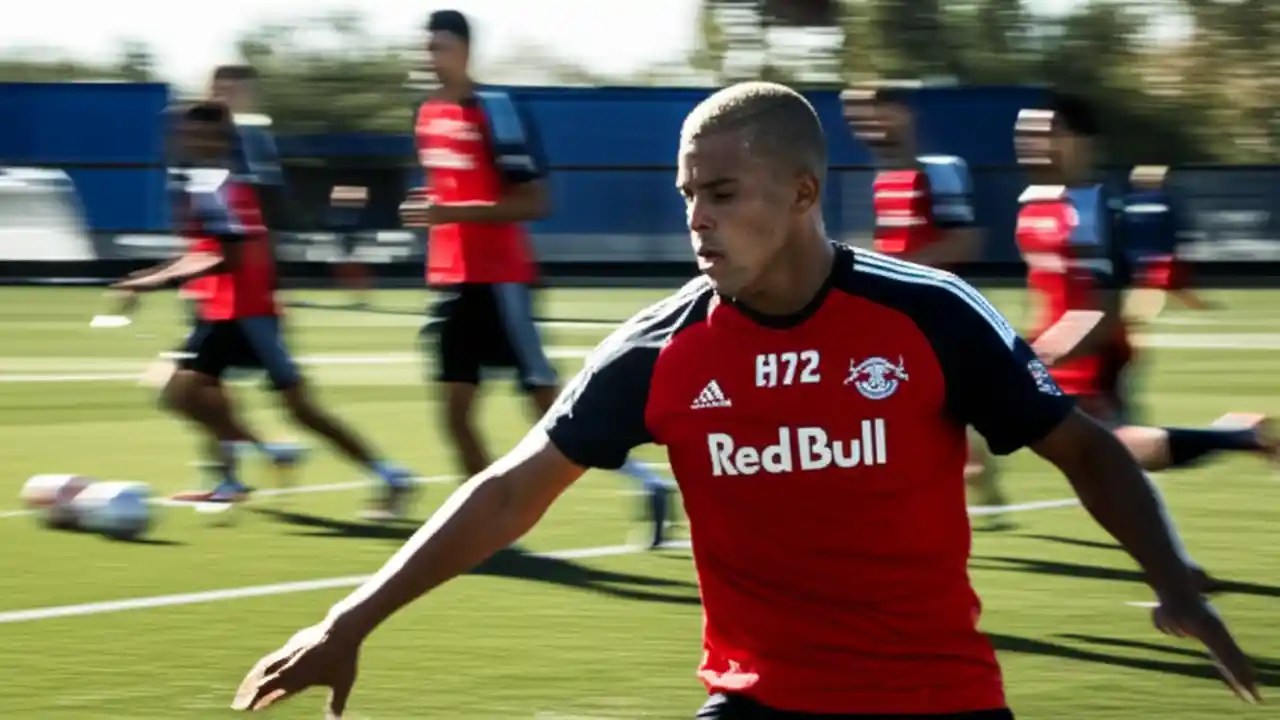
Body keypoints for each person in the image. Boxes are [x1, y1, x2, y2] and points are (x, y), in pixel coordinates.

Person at [232, 82, 1260, 719]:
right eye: (686, 194)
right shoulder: (660, 347)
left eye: (719, 194)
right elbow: (509, 492)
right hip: (754, 704)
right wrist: (351, 617)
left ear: (803, 194)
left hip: (934, 703)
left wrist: (1174, 582)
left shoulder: (929, 316)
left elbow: (1082, 450)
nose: (695, 219)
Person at [402, 9, 673, 548]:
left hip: (502, 282)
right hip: (454, 282)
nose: (430, 59)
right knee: (454, 414)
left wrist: (451, 213)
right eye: (425, 48)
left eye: (440, 48)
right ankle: (488, 529)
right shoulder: (428, 115)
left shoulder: (496, 111)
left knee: (553, 413)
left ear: (464, 50)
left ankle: (648, 484)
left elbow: (535, 199)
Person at [112, 101, 415, 518]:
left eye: (202, 135)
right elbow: (206, 251)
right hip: (222, 311)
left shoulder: (217, 185)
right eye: (187, 133)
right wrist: (148, 276)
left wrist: (153, 281)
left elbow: (231, 257)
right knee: (181, 393)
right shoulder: (205, 181)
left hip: (249, 315)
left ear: (220, 141)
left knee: (301, 409)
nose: (191, 140)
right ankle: (248, 467)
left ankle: (391, 476)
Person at [842, 83, 1007, 527]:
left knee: (932, 401)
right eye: (857, 117)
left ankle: (970, 482)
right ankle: (972, 483)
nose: (865, 125)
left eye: (873, 113)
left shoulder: (941, 172)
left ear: (902, 114)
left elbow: (966, 240)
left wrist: (896, 269)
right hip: (899, 310)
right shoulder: (884, 179)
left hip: (938, 309)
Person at [1122, 164, 1215, 316]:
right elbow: (1174, 224)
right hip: (1159, 251)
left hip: (1136, 251)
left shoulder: (1128, 201)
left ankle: (1196, 306)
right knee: (1159, 283)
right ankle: (1141, 313)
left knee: (1158, 283)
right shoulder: (1164, 200)